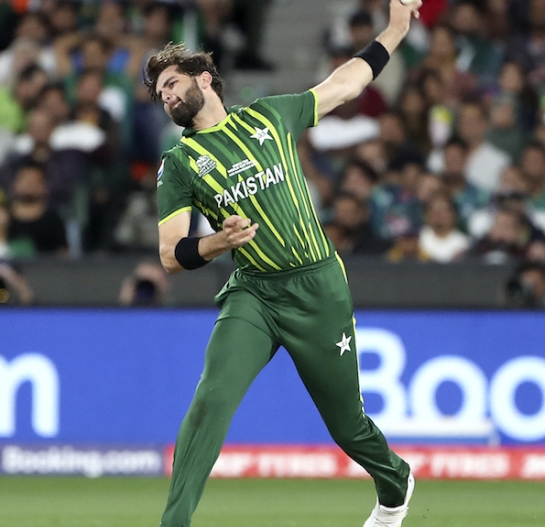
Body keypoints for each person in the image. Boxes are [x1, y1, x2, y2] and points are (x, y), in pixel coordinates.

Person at [143, 2, 421, 526]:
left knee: (348, 428)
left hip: (317, 287)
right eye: (161, 95)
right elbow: (170, 254)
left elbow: (344, 84)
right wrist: (216, 244)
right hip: (254, 292)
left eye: (174, 84)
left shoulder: (271, 115)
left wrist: (396, 28)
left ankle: (394, 480)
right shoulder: (178, 165)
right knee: (210, 402)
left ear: (205, 78)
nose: (168, 97)